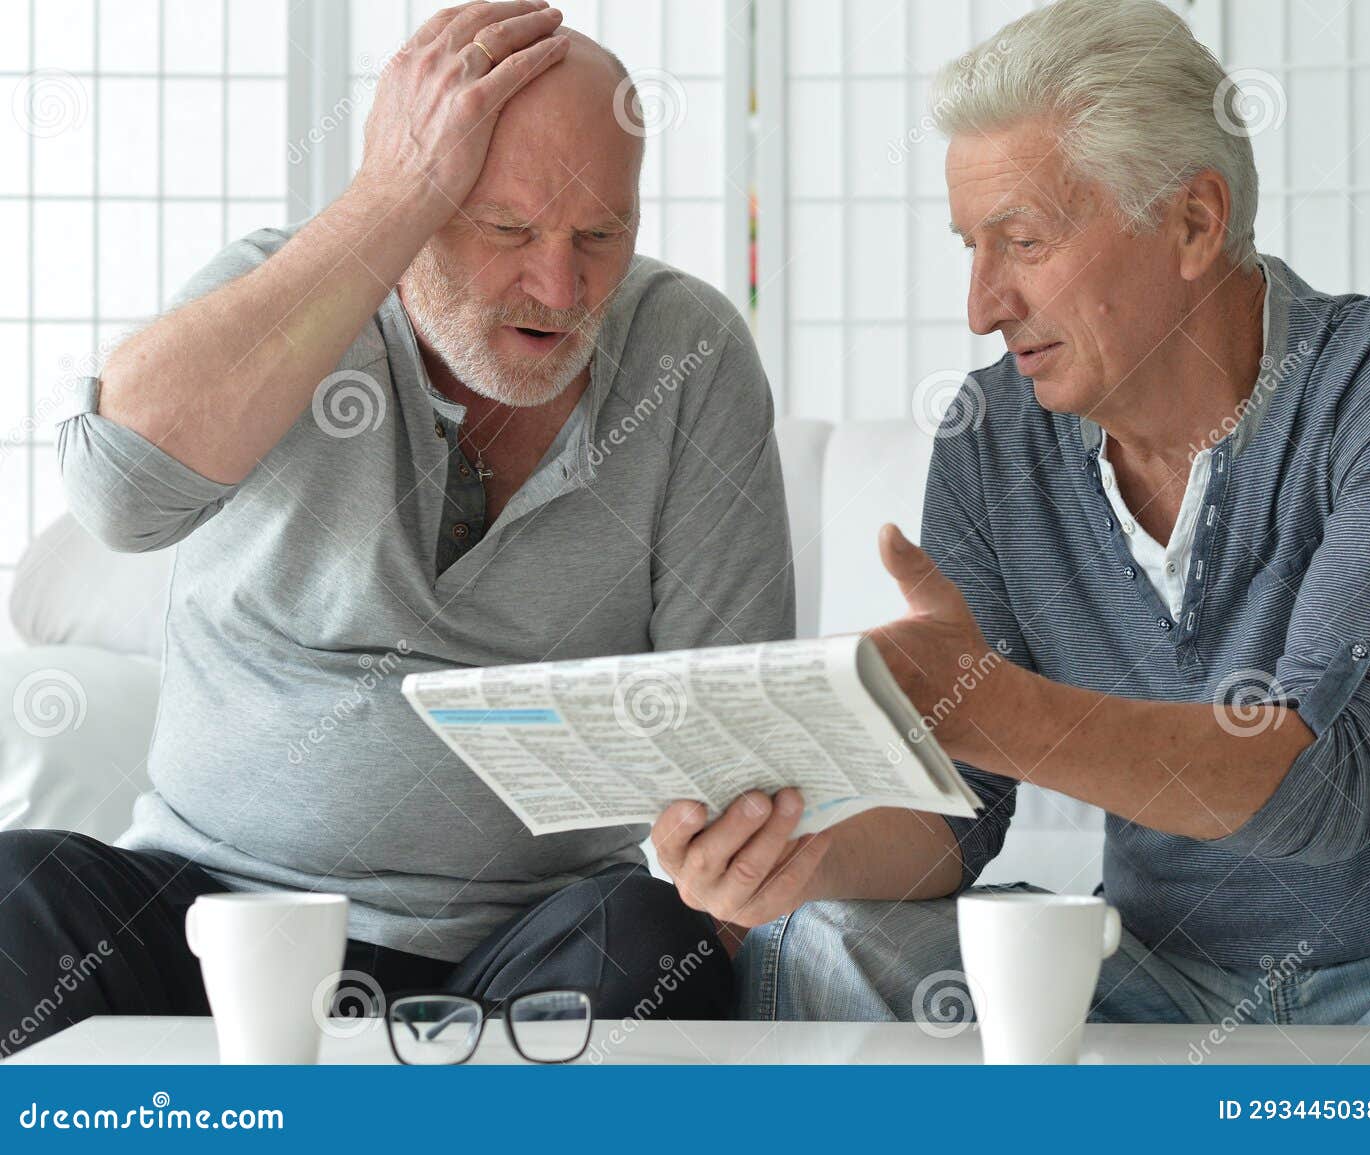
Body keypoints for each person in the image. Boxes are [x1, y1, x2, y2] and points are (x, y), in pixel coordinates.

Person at [654, 0, 1370, 1064]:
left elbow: (1326, 785)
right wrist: (793, 856)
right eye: (972, 248)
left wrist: (986, 705)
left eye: (1023, 242)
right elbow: (962, 813)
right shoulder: (988, 436)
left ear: (1193, 223)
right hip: (1157, 980)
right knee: (817, 937)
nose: (981, 305)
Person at [0, 2, 793, 1055]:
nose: (561, 287)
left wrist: (731, 845)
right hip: (214, 913)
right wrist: (383, 202)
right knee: (15, 894)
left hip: (520, 943)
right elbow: (117, 495)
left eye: (601, 234)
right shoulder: (284, 292)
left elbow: (729, 720)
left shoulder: (687, 352)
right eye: (507, 229)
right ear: (413, 196)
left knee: (652, 939)